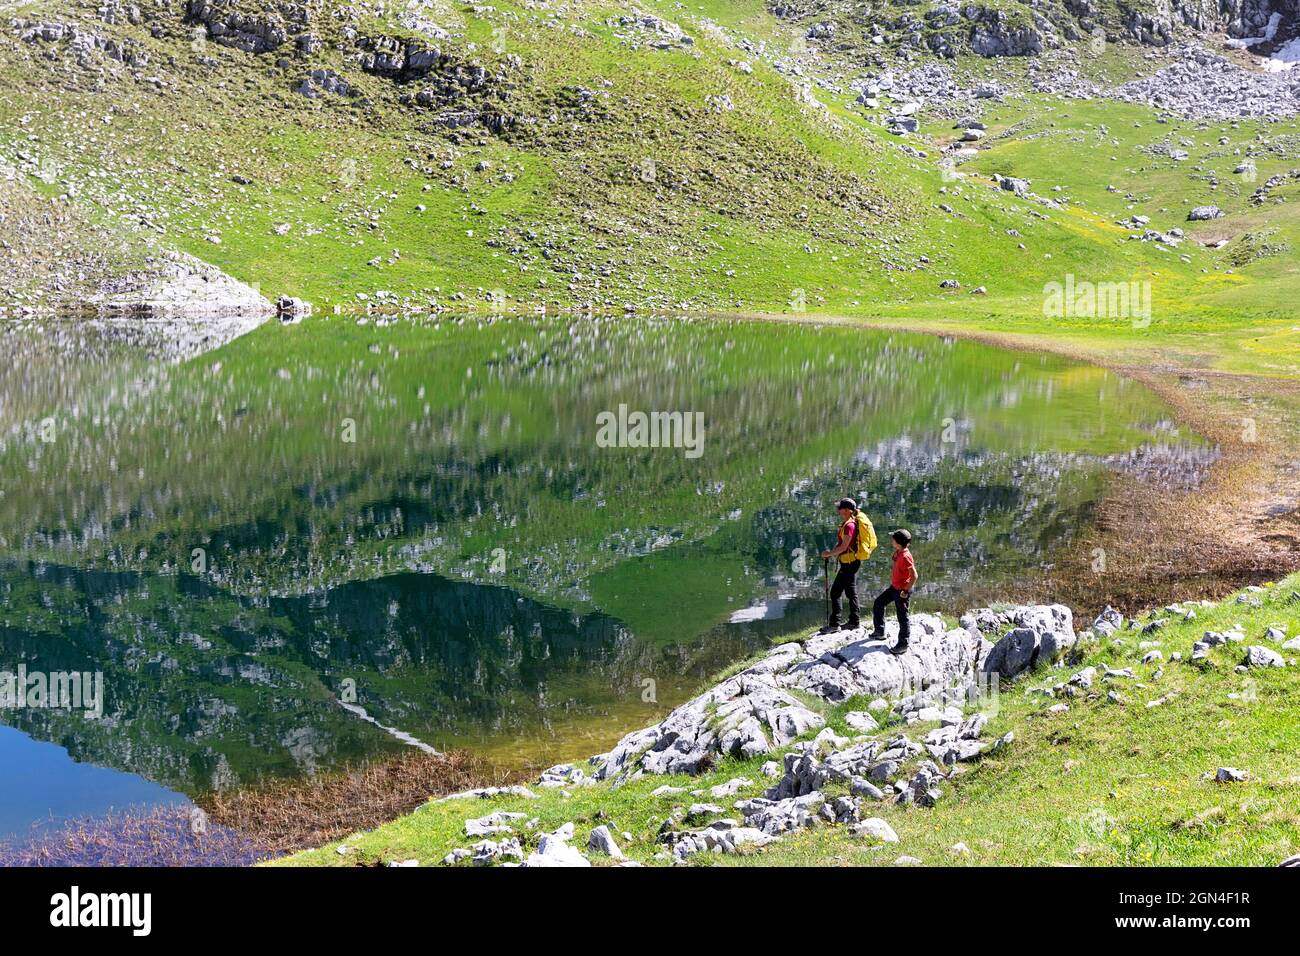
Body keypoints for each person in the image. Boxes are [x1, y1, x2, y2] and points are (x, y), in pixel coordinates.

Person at [818, 498, 876, 634]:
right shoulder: (848, 523)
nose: (838, 510)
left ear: (847, 511)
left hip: (849, 564)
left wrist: (829, 554)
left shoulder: (849, 526)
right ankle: (854, 621)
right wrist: (832, 552)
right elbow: (843, 545)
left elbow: (844, 546)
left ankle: (834, 624)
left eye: (840, 508)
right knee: (850, 592)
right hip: (851, 562)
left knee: (835, 593)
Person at [872, 529, 917, 654]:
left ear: (898, 542)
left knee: (902, 617)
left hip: (902, 590)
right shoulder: (899, 552)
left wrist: (906, 590)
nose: (891, 540)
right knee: (879, 603)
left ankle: (903, 644)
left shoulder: (906, 556)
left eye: (893, 538)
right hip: (894, 587)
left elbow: (914, 576)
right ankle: (879, 632)